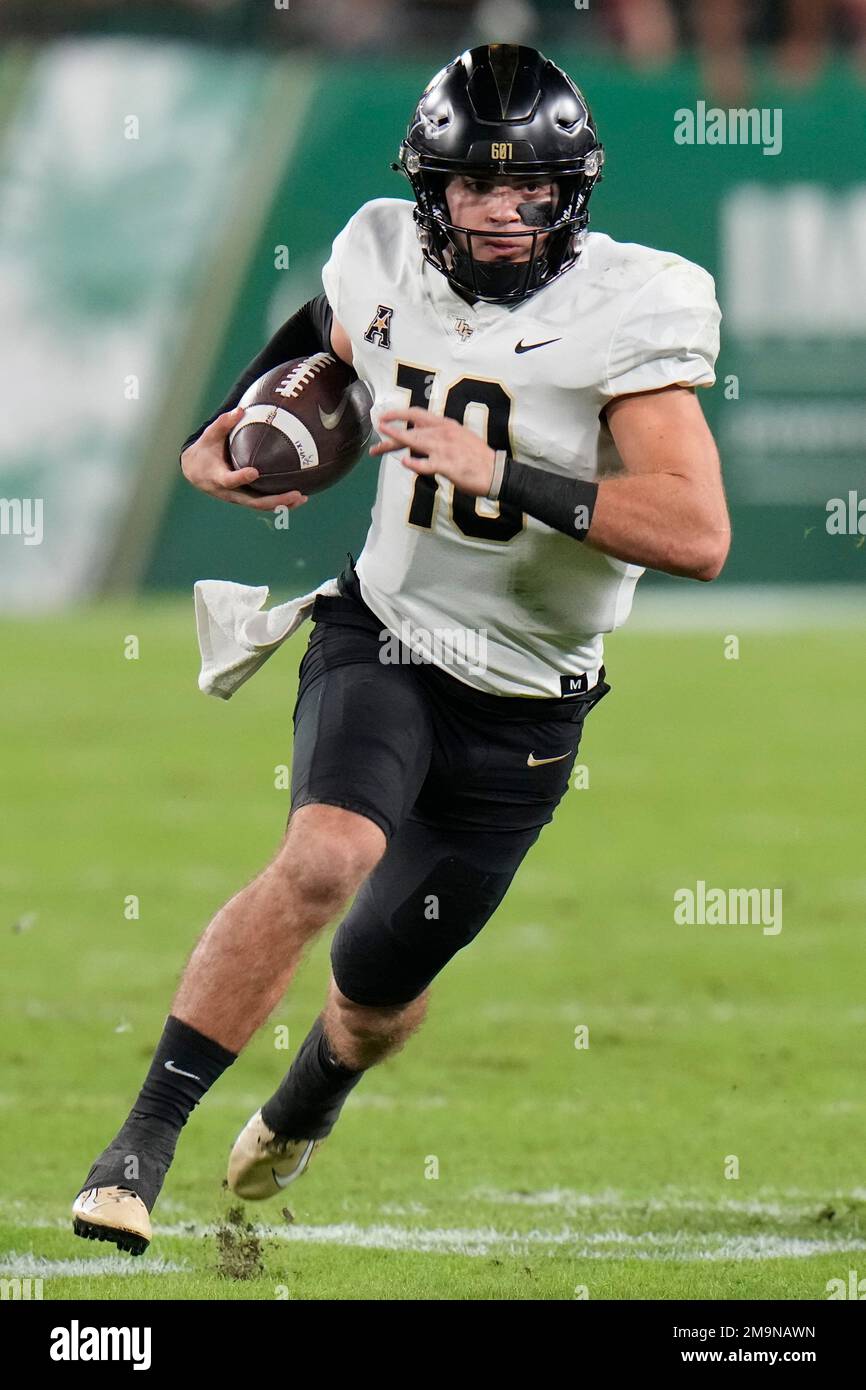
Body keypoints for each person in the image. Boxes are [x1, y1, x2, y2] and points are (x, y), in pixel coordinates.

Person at [72, 42, 729, 1256]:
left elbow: (696, 533)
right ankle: (137, 1149)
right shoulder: (379, 250)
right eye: (470, 185)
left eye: (526, 186)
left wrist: (508, 472)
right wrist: (226, 436)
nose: (498, 210)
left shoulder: (633, 304)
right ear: (427, 188)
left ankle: (316, 1084)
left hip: (529, 704)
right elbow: (304, 354)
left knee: (375, 994)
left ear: (571, 191)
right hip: (385, 630)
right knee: (324, 857)